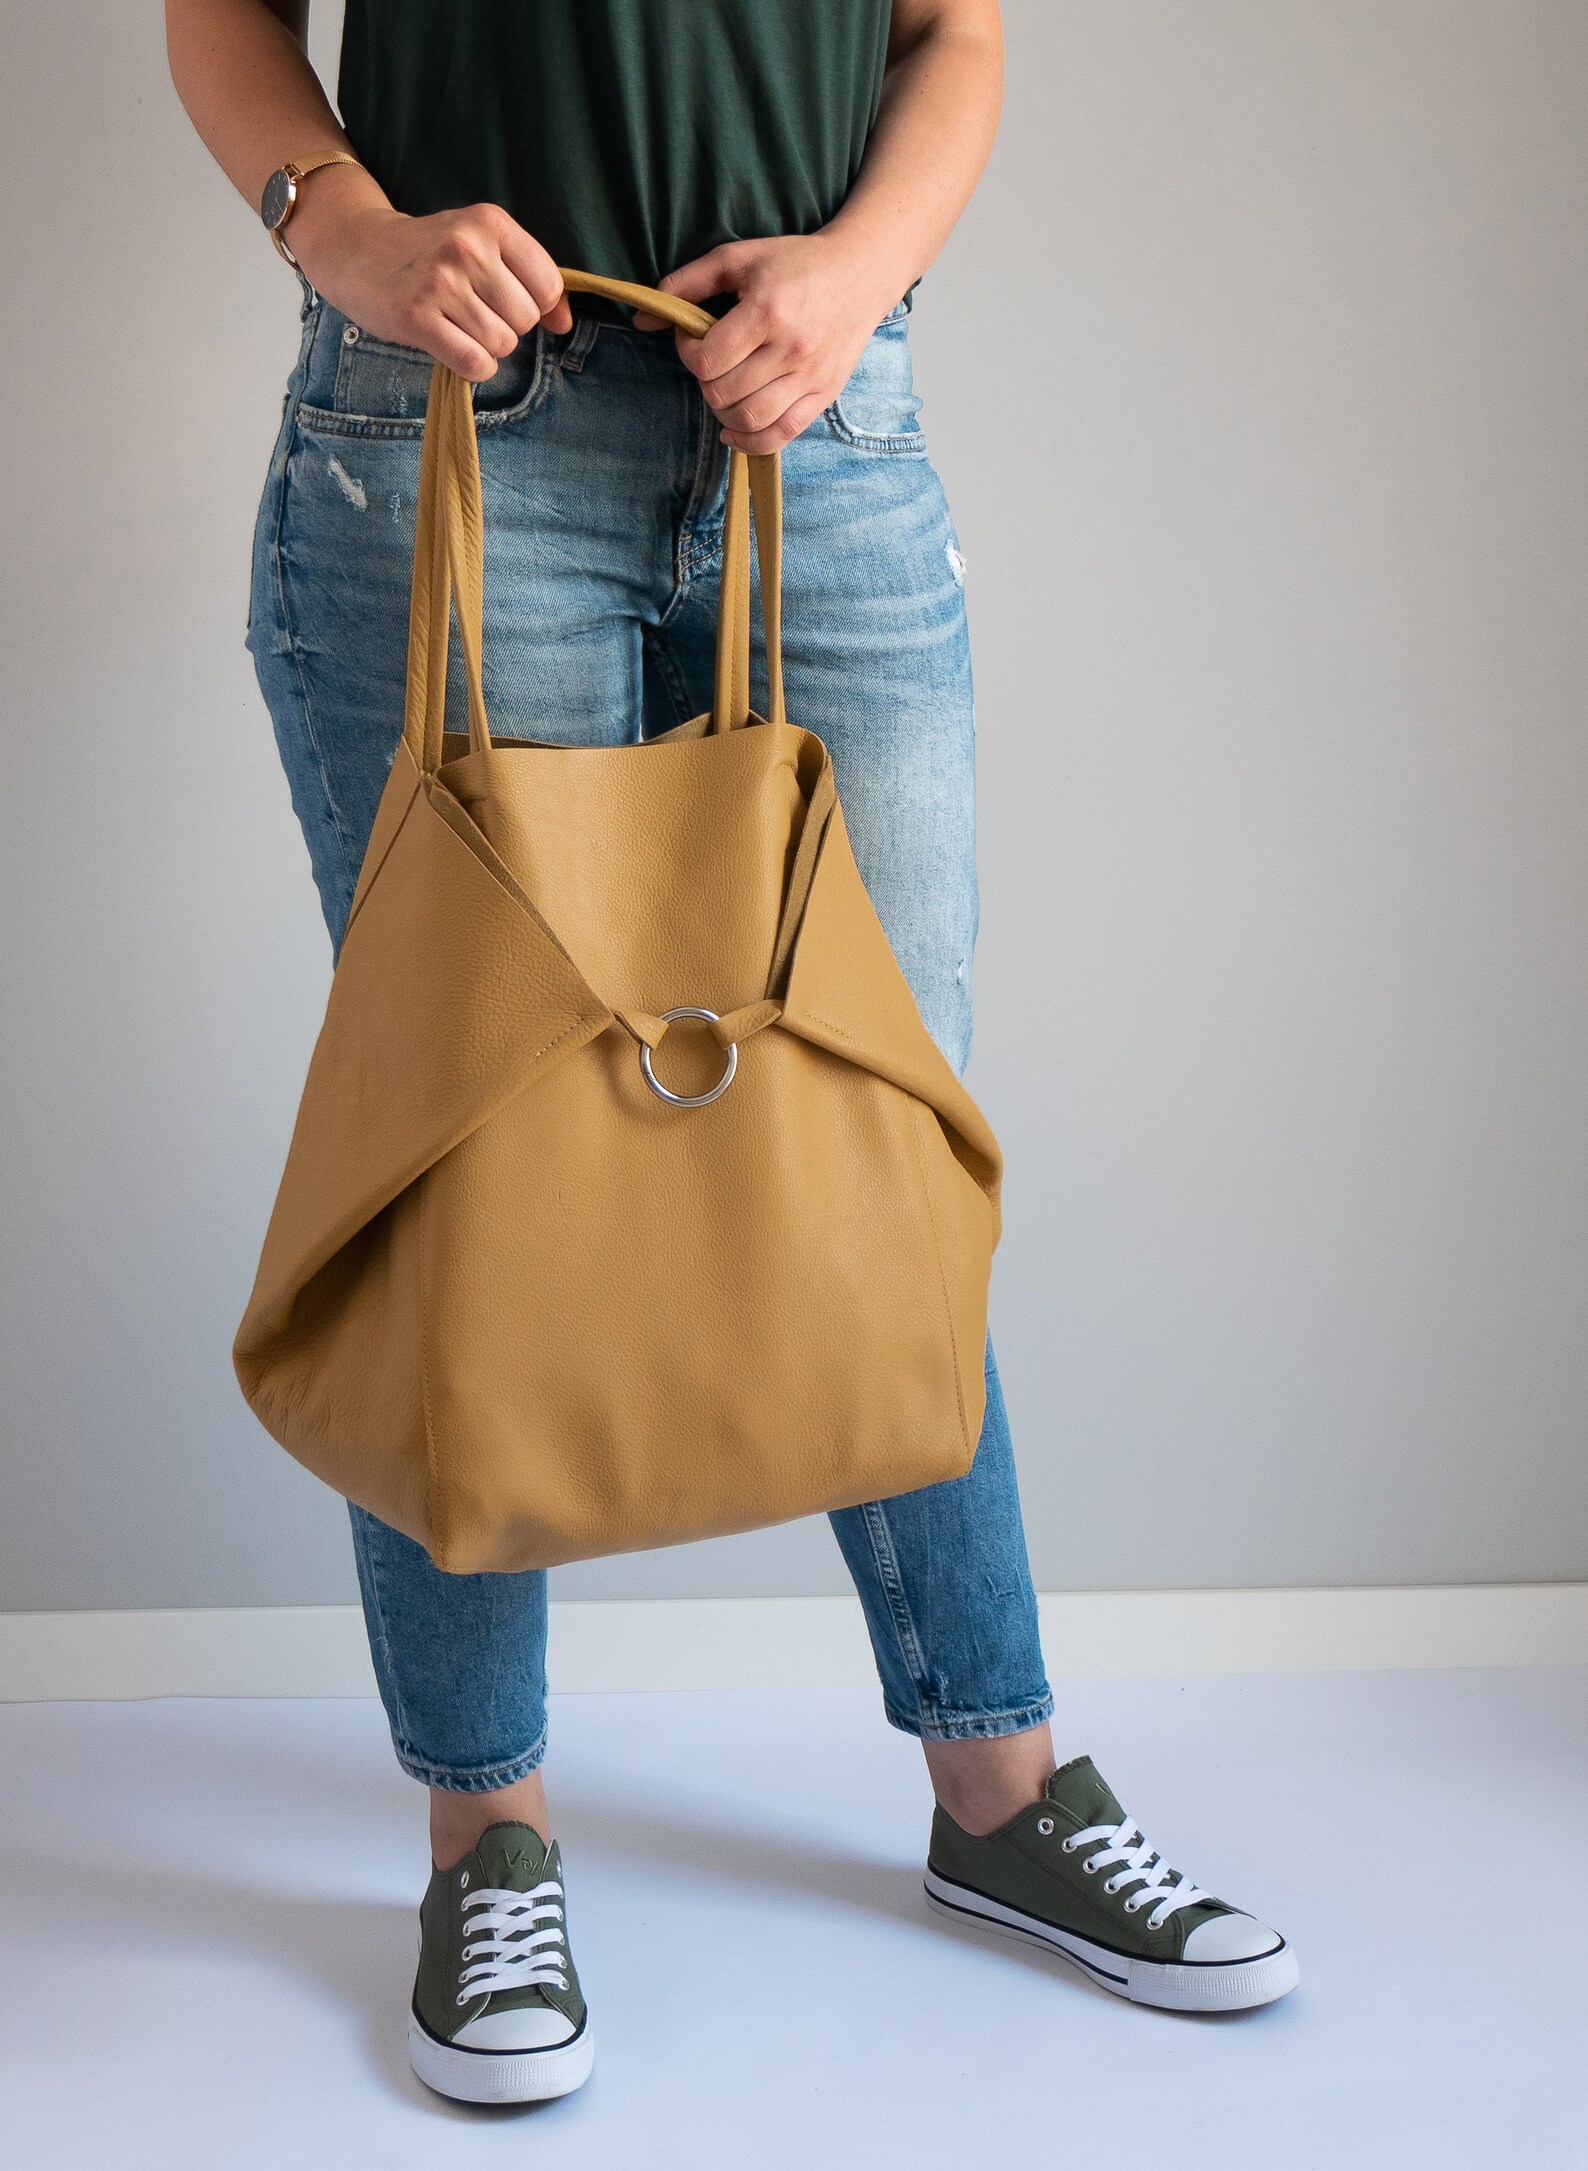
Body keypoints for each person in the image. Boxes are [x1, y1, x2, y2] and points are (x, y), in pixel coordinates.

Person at [167, 0, 1298, 2106]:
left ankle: (999, 1801)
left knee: (881, 1147)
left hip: (823, 431)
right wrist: (342, 230)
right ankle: (482, 1835)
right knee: (471, 1163)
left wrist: (856, 277)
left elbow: (951, 31)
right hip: (455, 434)